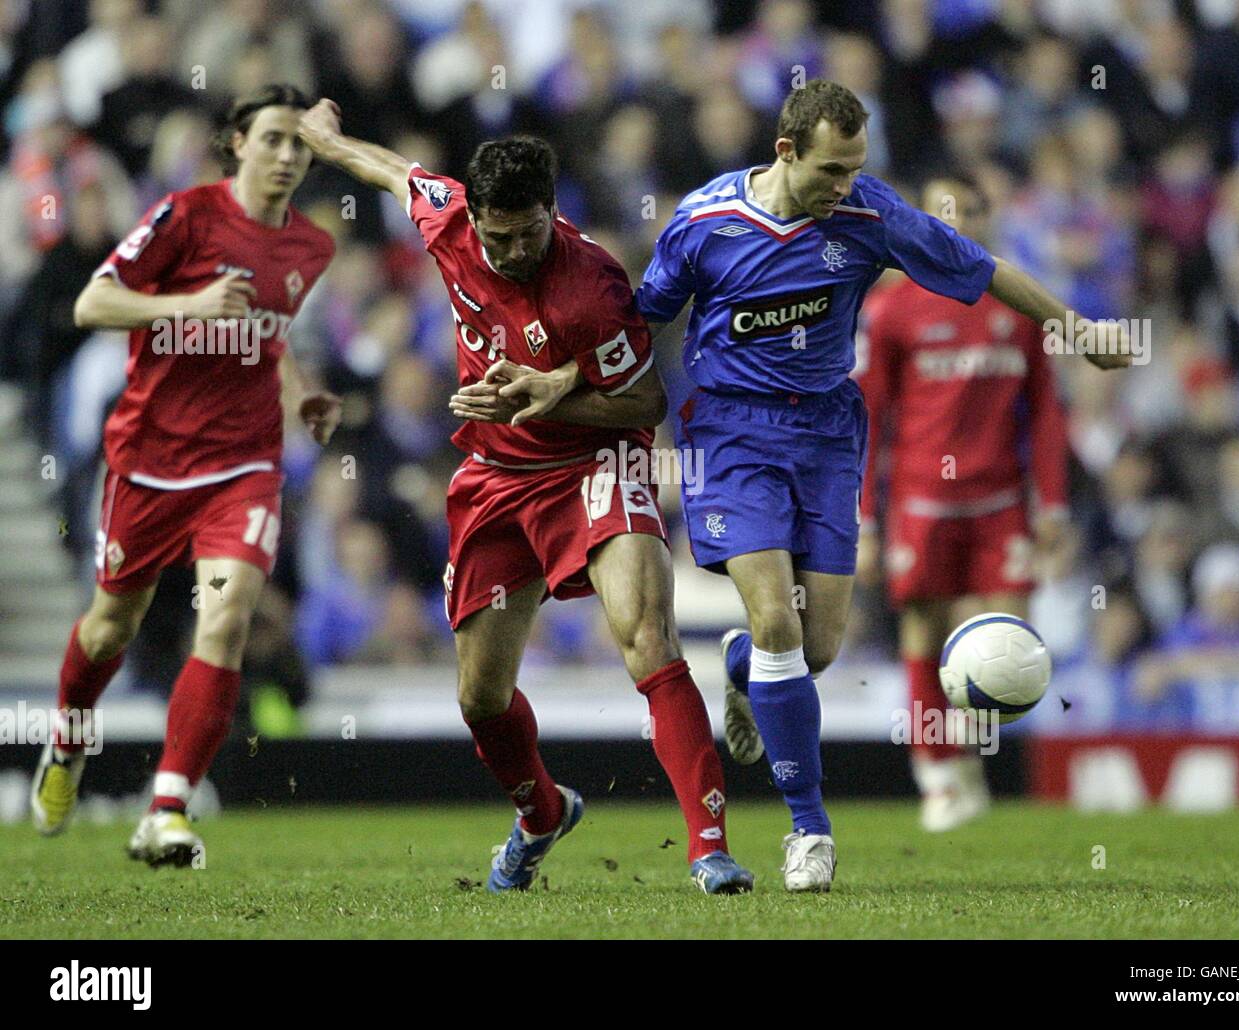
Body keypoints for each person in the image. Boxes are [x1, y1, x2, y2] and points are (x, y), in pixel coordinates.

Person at [631, 79, 1129, 892]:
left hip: (827, 433)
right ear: (786, 152)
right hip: (730, 430)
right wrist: (571, 391)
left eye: (856, 168)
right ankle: (809, 830)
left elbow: (984, 268)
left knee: (815, 646)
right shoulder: (704, 221)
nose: (844, 186)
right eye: (832, 170)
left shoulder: (869, 214)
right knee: (777, 622)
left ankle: (741, 664)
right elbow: (642, 317)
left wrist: (1077, 329)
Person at [296, 99, 753, 894]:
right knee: (480, 697)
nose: (511, 251)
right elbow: (393, 170)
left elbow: (644, 403)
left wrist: (549, 397)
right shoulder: (447, 223)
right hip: (497, 478)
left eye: (528, 232)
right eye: (497, 235)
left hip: (594, 462)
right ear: (472, 213)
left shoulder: (591, 286)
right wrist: (329, 143)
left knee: (646, 637)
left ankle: (708, 850)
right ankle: (542, 812)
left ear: (552, 212)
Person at [30, 84, 340, 866]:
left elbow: (267, 340)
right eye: (271, 138)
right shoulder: (185, 216)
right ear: (236, 143)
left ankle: (166, 807)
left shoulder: (310, 248)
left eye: (298, 144)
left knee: (228, 618)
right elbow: (93, 305)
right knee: (112, 625)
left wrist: (301, 395)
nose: (285, 157)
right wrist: (191, 304)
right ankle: (68, 735)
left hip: (245, 463)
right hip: (150, 460)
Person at [854, 175, 1069, 831]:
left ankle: (969, 755)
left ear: (987, 215)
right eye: (944, 211)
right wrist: (862, 520)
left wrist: (1053, 504)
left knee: (1010, 639)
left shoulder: (1017, 304)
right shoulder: (893, 309)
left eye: (970, 210)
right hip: (922, 502)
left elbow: (1048, 415)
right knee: (925, 633)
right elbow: (869, 418)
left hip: (1000, 500)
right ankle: (938, 774)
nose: (959, 222)